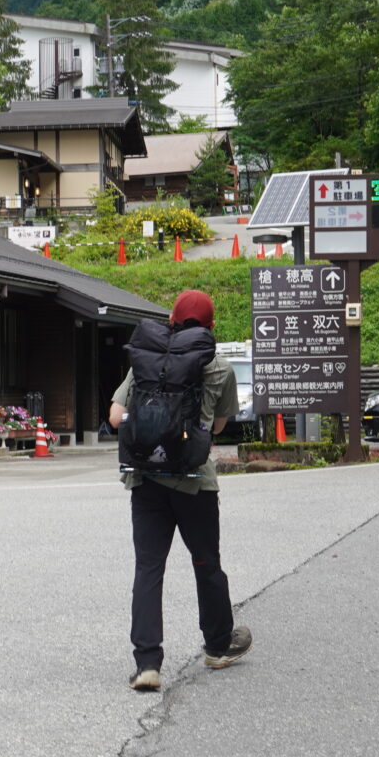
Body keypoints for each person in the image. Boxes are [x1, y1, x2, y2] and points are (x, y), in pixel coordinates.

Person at [110, 288, 251, 692]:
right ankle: (219, 645)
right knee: (206, 562)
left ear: (170, 320)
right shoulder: (219, 367)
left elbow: (117, 415)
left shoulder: (145, 361)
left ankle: (147, 664)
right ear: (211, 327)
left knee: (149, 568)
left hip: (145, 477)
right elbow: (220, 425)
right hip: (195, 482)